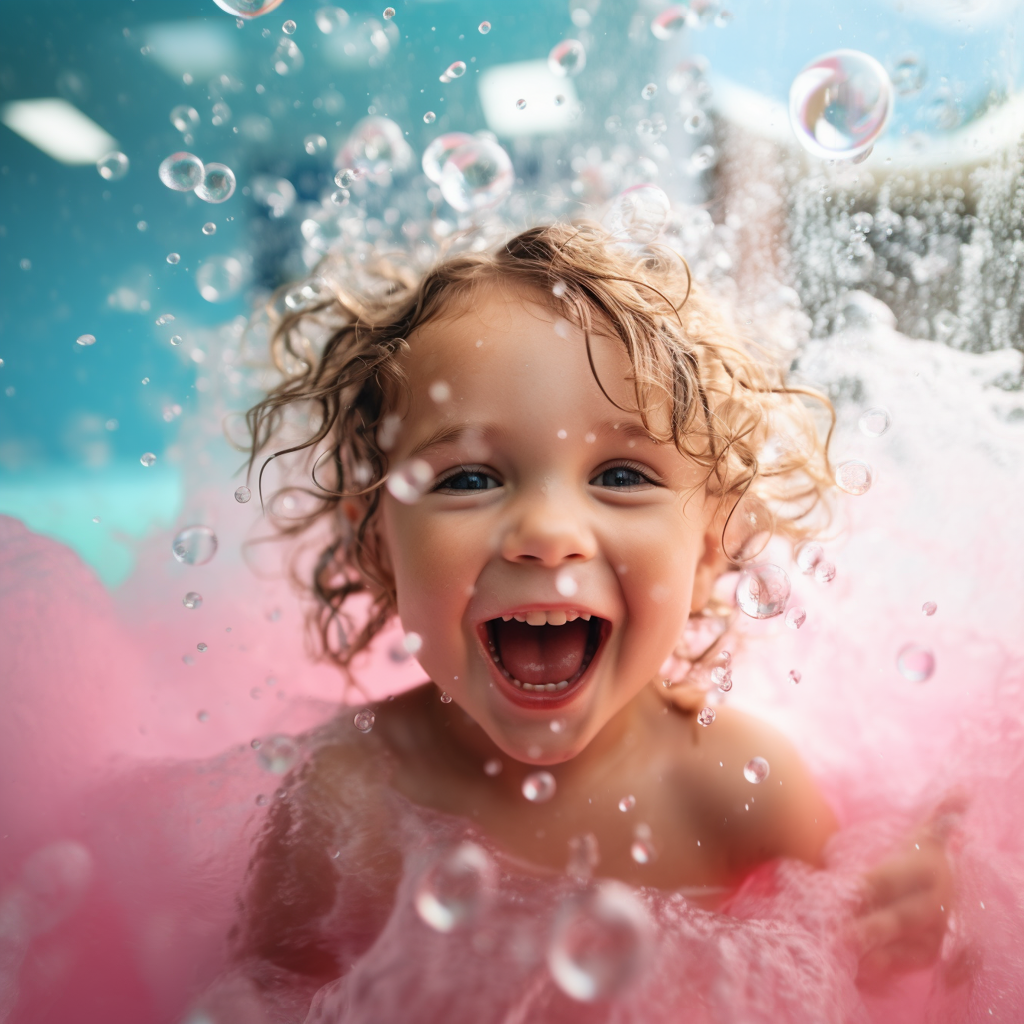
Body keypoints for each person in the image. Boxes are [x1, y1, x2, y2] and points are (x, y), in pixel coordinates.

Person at [228, 222, 951, 1020]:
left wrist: (903, 930)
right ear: (379, 541)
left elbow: (847, 978)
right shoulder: (346, 802)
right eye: (469, 477)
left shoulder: (740, 788)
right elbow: (266, 998)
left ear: (711, 546)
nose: (546, 532)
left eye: (619, 474)